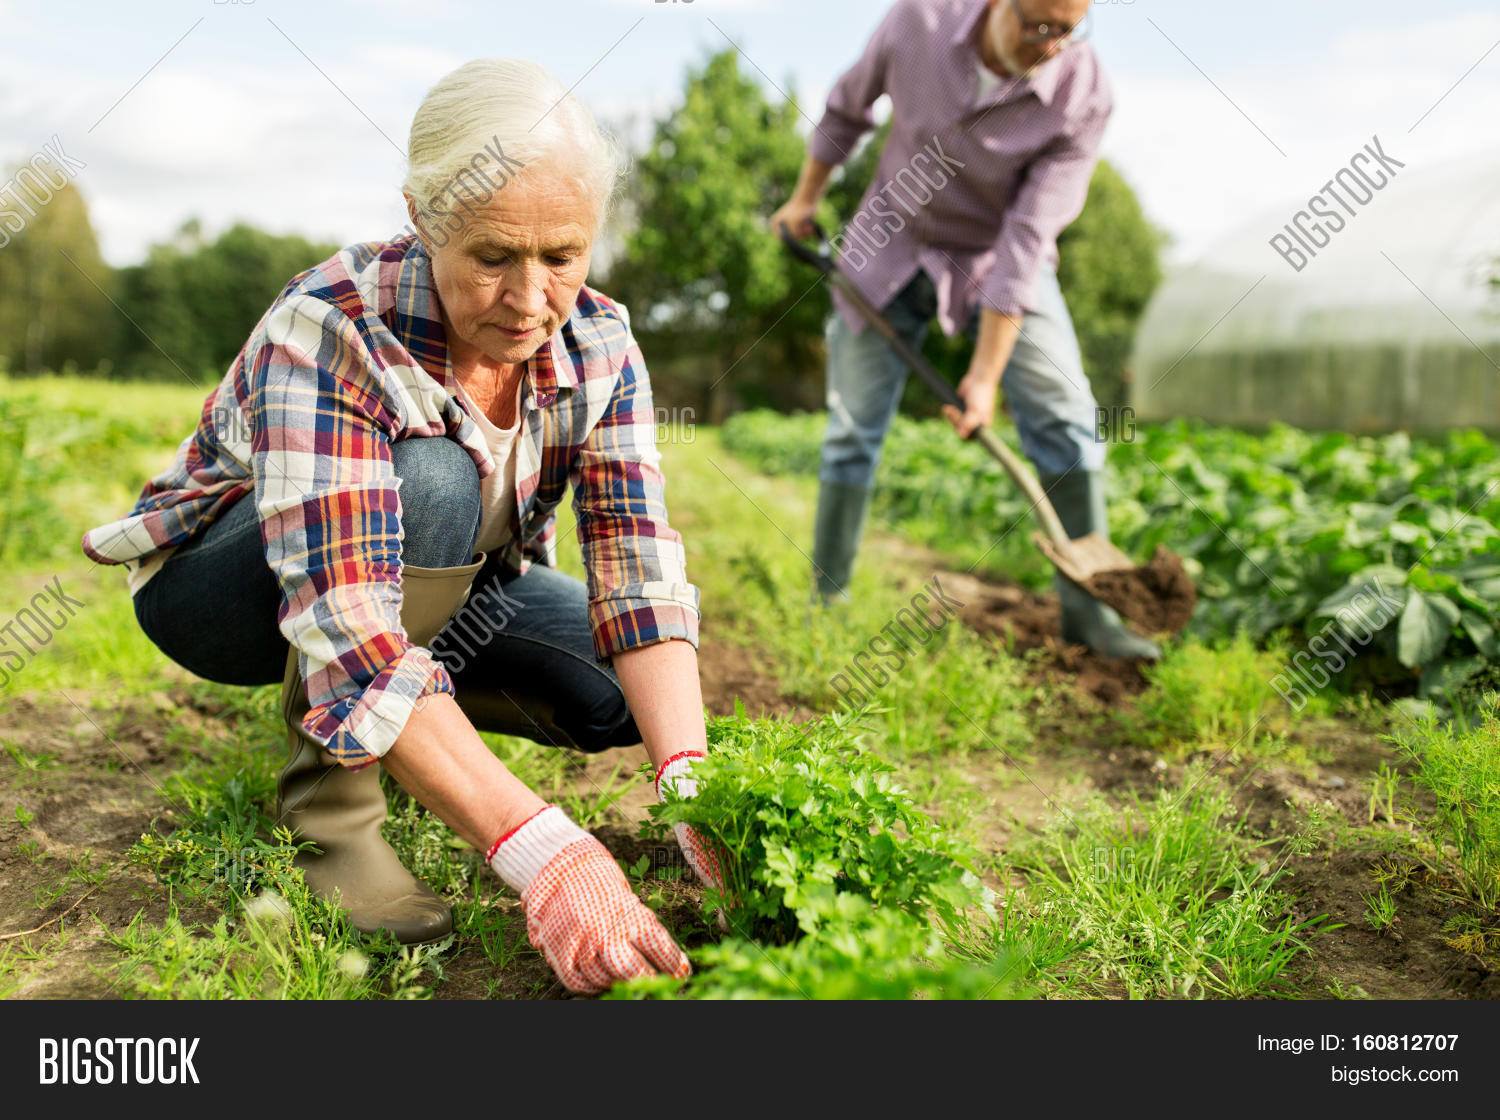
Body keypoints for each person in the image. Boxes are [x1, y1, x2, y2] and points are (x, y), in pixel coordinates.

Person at [82, 58, 722, 995]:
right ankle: (333, 812)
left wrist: (692, 779)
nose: (532, 298)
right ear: (424, 218)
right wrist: (543, 850)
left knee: (614, 693)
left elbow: (634, 561)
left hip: (451, 580)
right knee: (431, 480)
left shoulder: (601, 341)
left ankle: (413, 721)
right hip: (223, 589)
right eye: (494, 256)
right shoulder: (332, 327)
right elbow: (345, 613)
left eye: (562, 256)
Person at [771, 0, 1160, 659]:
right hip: (891, 236)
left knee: (1069, 418)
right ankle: (827, 602)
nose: (1049, 43)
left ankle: (1092, 617)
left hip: (998, 257)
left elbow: (1027, 241)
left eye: (1067, 30)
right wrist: (807, 197)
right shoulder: (918, 20)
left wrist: (984, 379)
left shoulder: (1082, 93)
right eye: (1035, 23)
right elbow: (847, 109)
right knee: (853, 430)